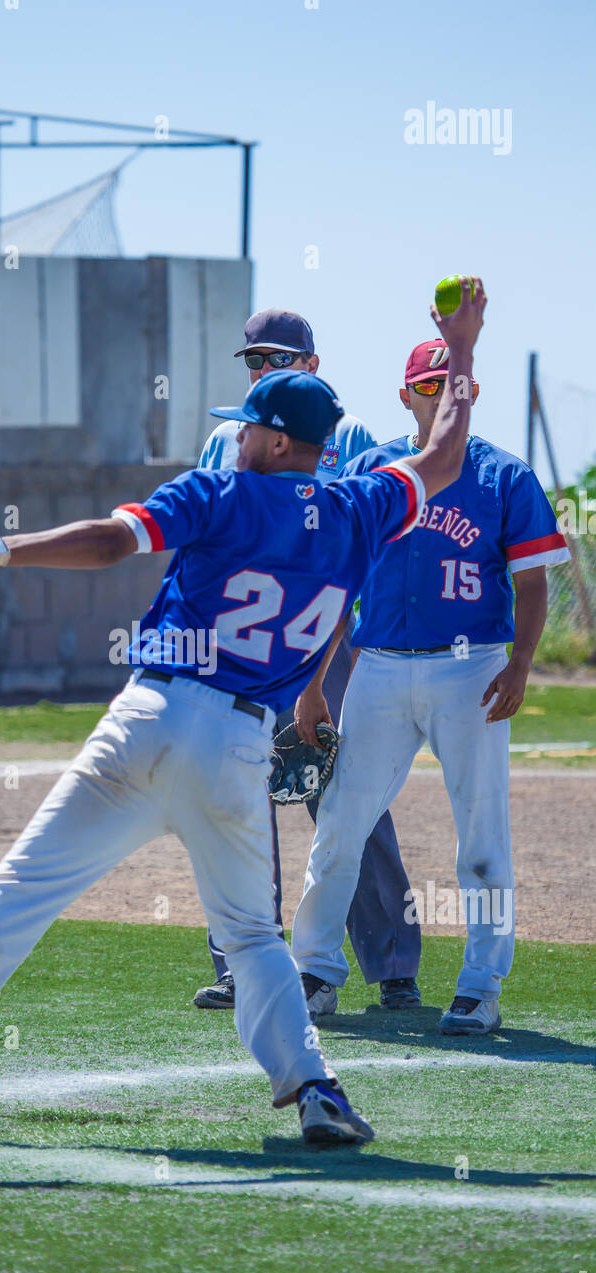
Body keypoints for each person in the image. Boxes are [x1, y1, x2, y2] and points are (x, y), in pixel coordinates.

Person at [0, 280, 486, 1144]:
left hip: (152, 719)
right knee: (250, 936)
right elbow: (445, 455)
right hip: (240, 744)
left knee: (14, 897)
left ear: (277, 440)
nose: (235, 434)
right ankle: (316, 1088)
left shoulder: (222, 492)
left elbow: (107, 538)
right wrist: (462, 350)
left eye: (247, 425)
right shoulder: (359, 509)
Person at [290, 333, 570, 1035]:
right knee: (341, 821)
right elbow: (337, 583)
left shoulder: (505, 476)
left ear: (471, 393)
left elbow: (532, 582)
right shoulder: (372, 471)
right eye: (430, 387)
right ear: (404, 395)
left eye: (456, 386)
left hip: (471, 666)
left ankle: (480, 983)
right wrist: (314, 683)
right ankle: (317, 969)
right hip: (379, 665)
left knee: (481, 835)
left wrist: (522, 661)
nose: (445, 397)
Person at [193, 308, 421, 1015]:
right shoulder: (225, 438)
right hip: (241, 642)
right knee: (234, 799)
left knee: (349, 797)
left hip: (326, 638)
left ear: (312, 365)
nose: (263, 369)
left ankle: (392, 964)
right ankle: (242, 962)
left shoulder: (346, 434)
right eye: (254, 359)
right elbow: (204, 537)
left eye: (278, 358)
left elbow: (368, 545)